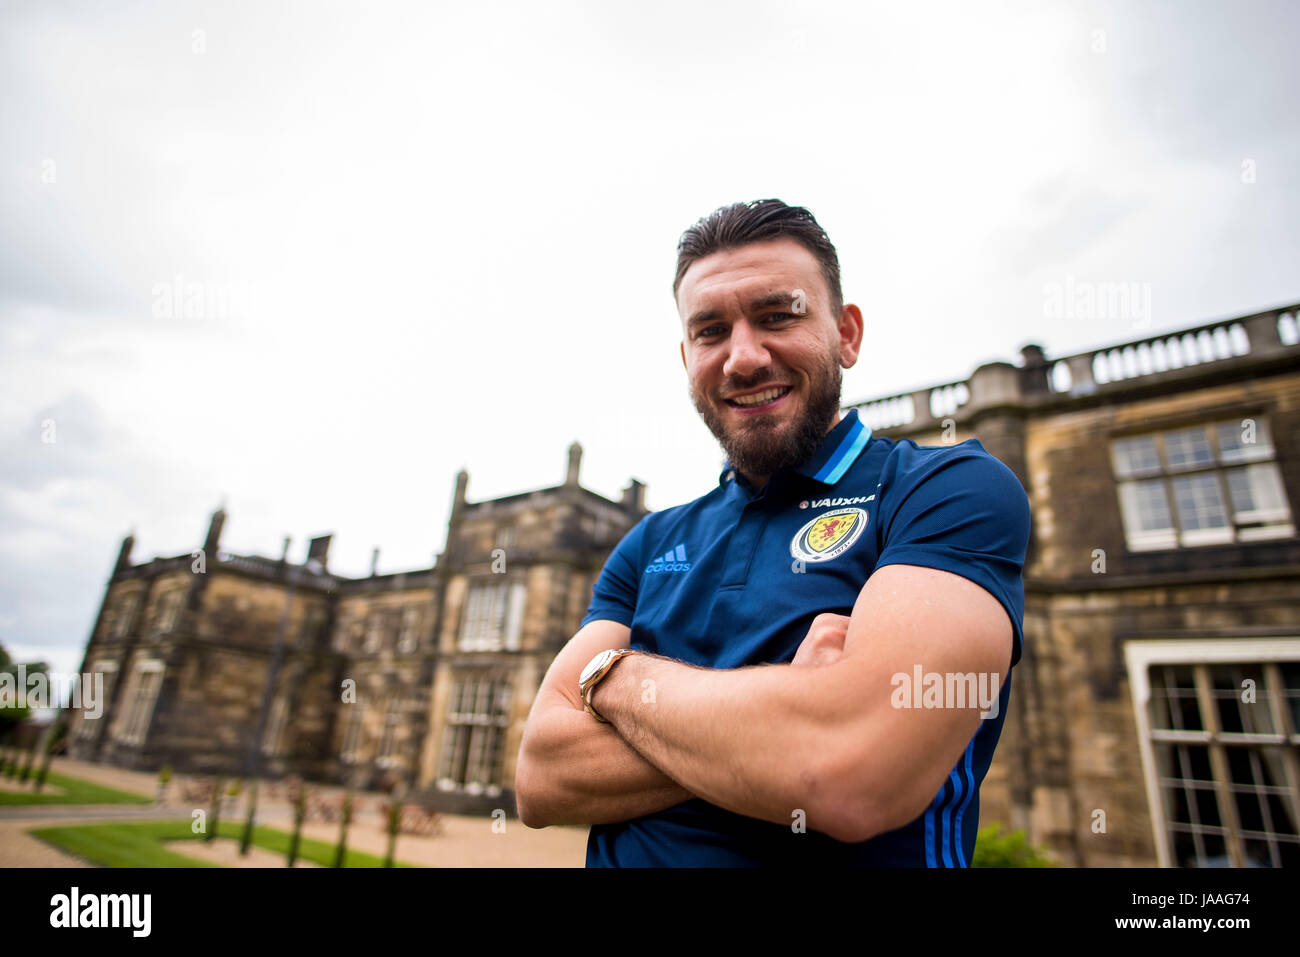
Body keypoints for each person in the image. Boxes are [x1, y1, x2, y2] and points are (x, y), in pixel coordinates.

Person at [514, 199, 1032, 866]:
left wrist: (612, 679)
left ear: (846, 333)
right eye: (710, 331)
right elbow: (540, 777)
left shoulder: (945, 490)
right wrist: (785, 716)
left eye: (777, 315)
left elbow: (849, 773)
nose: (743, 357)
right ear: (687, 356)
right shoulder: (647, 544)